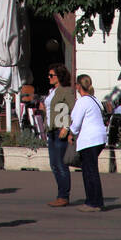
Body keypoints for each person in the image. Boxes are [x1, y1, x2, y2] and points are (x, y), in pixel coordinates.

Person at [67, 74, 106, 212]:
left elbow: (76, 123)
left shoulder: (82, 101)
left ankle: (93, 202)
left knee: (89, 171)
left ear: (78, 86)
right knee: (91, 170)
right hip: (99, 138)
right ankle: (96, 201)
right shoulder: (94, 99)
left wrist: (70, 133)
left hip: (89, 139)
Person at [45, 64, 77, 206]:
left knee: (60, 164)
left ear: (59, 77)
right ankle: (60, 194)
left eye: (52, 75)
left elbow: (74, 110)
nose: (49, 77)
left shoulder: (66, 91)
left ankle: (63, 196)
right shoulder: (53, 91)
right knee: (54, 164)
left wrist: (66, 127)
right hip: (51, 130)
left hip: (60, 131)